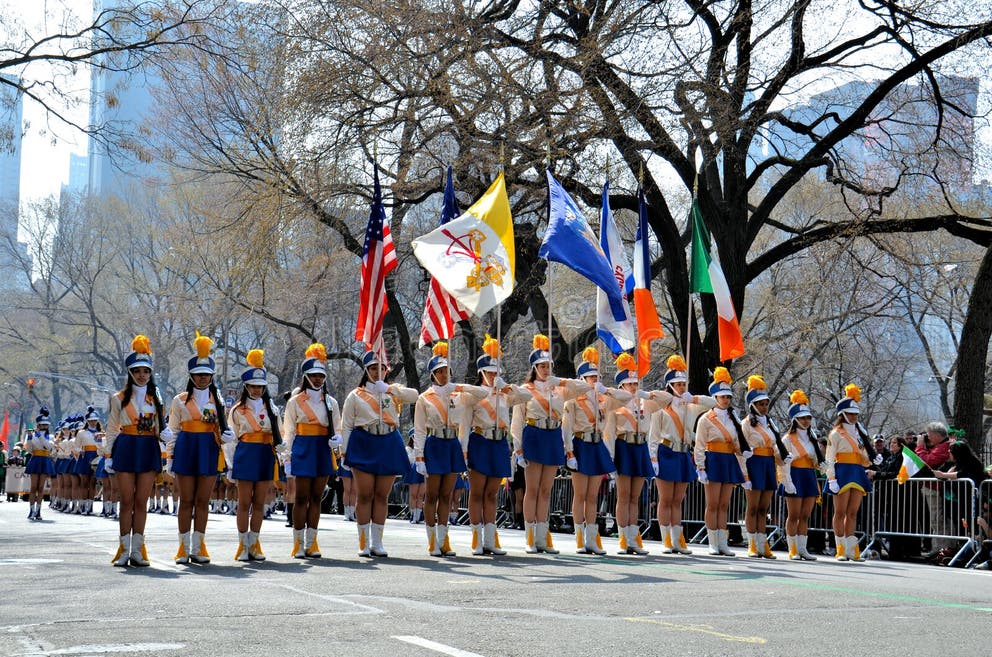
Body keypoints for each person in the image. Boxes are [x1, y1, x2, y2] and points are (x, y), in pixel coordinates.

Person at [511, 334, 591, 554]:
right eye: (542, 366)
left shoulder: (559, 389)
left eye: (549, 366)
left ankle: (542, 536)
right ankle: (530, 536)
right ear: (534, 367)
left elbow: (584, 388)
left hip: (553, 435)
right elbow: (517, 421)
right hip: (534, 435)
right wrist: (518, 448)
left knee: (546, 490)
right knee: (533, 489)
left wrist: (559, 381)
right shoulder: (525, 389)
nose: (546, 370)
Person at [163, 333, 233, 565]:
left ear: (212, 376)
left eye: (207, 375)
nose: (203, 378)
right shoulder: (179, 400)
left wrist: (226, 436)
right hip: (186, 448)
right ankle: (182, 547)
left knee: (203, 501)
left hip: (208, 450)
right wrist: (170, 458)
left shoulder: (219, 401)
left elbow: (223, 430)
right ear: (191, 376)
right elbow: (172, 430)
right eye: (198, 374)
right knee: (186, 500)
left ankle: (198, 546)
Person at [412, 342, 487, 557]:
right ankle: (432, 540)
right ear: (432, 374)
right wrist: (419, 456)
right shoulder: (424, 398)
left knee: (447, 495)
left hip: (452, 443)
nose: (444, 375)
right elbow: (419, 429)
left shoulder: (458, 394)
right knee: (432, 495)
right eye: (440, 372)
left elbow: (482, 393)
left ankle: (444, 540)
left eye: (446, 371)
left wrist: (459, 387)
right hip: (434, 444)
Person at [341, 349, 418, 557]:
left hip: (388, 441)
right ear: (366, 370)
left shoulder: (392, 391)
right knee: (365, 494)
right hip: (363, 442)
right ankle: (364, 542)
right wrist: (344, 453)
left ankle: (378, 541)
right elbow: (346, 425)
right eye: (373, 368)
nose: (377, 372)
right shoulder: (355, 395)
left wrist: (391, 388)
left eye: (381, 368)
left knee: (382, 495)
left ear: (387, 370)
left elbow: (415, 395)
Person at [459, 335, 531, 555]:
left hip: (499, 443)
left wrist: (507, 387)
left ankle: (490, 538)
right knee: (477, 493)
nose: (493, 376)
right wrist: (463, 452)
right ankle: (476, 538)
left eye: (496, 373)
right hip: (480, 442)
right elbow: (464, 425)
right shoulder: (473, 395)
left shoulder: (504, 394)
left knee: (492, 494)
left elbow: (527, 395)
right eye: (490, 373)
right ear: (481, 373)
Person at [105, 335, 166, 567]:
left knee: (142, 501)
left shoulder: (156, 398)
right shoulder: (118, 398)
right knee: (127, 501)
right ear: (130, 372)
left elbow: (161, 428)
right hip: (126, 447)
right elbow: (111, 428)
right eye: (137, 370)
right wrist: (108, 455)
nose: (142, 375)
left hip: (148, 447)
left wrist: (165, 438)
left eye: (146, 371)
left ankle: (138, 550)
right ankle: (123, 549)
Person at [563, 347, 630, 555]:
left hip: (597, 444)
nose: (594, 380)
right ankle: (580, 537)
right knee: (580, 494)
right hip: (581, 444)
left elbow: (626, 398)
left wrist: (606, 389)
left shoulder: (604, 399)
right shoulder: (573, 399)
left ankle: (592, 537)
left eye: (596, 377)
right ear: (582, 379)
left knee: (592, 496)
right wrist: (570, 452)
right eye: (590, 377)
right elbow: (566, 427)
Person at [650, 355, 717, 555]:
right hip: (666, 451)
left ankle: (678, 539)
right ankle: (666, 540)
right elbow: (653, 436)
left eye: (683, 384)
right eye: (678, 384)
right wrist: (653, 458)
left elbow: (713, 402)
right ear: (670, 386)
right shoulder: (661, 408)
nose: (681, 387)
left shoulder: (690, 405)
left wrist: (693, 398)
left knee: (678, 499)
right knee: (666, 498)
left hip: (682, 453)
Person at [282, 343, 342, 559]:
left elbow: (339, 426)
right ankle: (298, 543)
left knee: (317, 497)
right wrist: (287, 457)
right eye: (314, 375)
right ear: (306, 376)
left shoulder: (331, 402)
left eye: (321, 375)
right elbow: (288, 431)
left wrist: (338, 439)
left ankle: (312, 542)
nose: (318, 379)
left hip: (322, 448)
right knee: (301, 497)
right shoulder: (294, 402)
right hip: (303, 447)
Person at [604, 353, 667, 555]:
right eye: (629, 383)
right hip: (624, 447)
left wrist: (646, 395)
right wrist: (611, 461)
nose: (633, 387)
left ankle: (634, 537)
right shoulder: (615, 405)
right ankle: (623, 538)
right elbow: (609, 434)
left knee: (635, 496)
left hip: (640, 448)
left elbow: (666, 399)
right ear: (621, 386)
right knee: (623, 496)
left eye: (635, 383)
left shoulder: (644, 403)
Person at [229, 349, 281, 561]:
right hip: (245, 454)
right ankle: (242, 544)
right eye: (253, 386)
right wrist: (231, 465)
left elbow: (278, 432)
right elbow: (231, 440)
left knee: (260, 503)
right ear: (246, 387)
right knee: (244, 503)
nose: (257, 390)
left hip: (264, 454)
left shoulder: (273, 409)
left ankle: (255, 542)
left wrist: (281, 445)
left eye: (260, 386)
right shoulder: (237, 410)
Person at [693, 367, 749, 556]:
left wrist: (744, 461)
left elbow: (737, 444)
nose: (726, 400)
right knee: (713, 503)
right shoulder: (706, 419)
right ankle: (713, 542)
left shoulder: (734, 419)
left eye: (728, 397)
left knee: (724, 504)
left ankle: (722, 542)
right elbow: (699, 444)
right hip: (713, 459)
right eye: (723, 397)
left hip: (728, 460)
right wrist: (700, 467)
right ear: (715, 398)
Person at [825, 383, 882, 562]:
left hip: (857, 471)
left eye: (856, 414)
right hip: (842, 472)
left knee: (852, 512)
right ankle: (840, 547)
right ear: (842, 415)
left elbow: (862, 456)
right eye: (850, 414)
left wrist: (873, 459)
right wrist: (832, 478)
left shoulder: (860, 434)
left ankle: (851, 547)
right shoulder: (835, 434)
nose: (854, 417)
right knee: (840, 512)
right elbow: (829, 458)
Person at [741, 375, 790, 559]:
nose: (764, 407)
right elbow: (742, 449)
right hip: (754, 463)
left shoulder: (771, 424)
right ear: (753, 405)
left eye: (765, 404)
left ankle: (763, 543)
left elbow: (774, 446)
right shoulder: (746, 424)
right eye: (760, 404)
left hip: (768, 464)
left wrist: (783, 457)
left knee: (764, 508)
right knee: (752, 507)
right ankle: (752, 543)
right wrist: (744, 474)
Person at [778, 390, 825, 560]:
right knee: (794, 514)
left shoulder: (813, 438)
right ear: (795, 420)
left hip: (808, 475)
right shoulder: (787, 439)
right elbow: (783, 463)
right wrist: (787, 482)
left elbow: (815, 460)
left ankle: (802, 548)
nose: (806, 421)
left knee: (805, 515)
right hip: (795, 475)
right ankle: (793, 549)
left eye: (808, 418)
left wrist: (822, 465)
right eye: (803, 418)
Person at [916, 421, 952, 556]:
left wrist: (920, 447)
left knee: (938, 519)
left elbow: (927, 462)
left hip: (936, 489)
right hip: (932, 488)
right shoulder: (940, 446)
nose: (928, 438)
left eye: (930, 435)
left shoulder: (944, 447)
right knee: (935, 520)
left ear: (937, 435)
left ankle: (942, 549)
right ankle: (940, 548)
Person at [24, 409, 54, 520]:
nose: (44, 426)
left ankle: (38, 511)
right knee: (33, 487)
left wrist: (39, 436)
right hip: (36, 459)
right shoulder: (33, 435)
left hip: (45, 459)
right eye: (42, 424)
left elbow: (49, 447)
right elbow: (30, 449)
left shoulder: (50, 436)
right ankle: (31, 511)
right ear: (38, 424)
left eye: (46, 424)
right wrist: (30, 438)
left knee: (41, 488)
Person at [72, 407, 102, 516]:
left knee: (93, 483)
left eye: (95, 420)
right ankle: (83, 506)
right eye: (91, 420)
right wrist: (81, 451)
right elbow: (75, 447)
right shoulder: (81, 433)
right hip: (84, 458)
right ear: (87, 421)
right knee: (84, 483)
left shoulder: (100, 433)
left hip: (96, 457)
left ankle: (90, 507)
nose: (93, 422)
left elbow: (102, 446)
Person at [403, 430, 425, 523]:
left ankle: (418, 516)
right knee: (413, 495)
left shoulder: (424, 448)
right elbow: (410, 460)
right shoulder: (408, 449)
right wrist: (416, 449)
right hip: (413, 471)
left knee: (420, 495)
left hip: (423, 471)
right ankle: (413, 515)